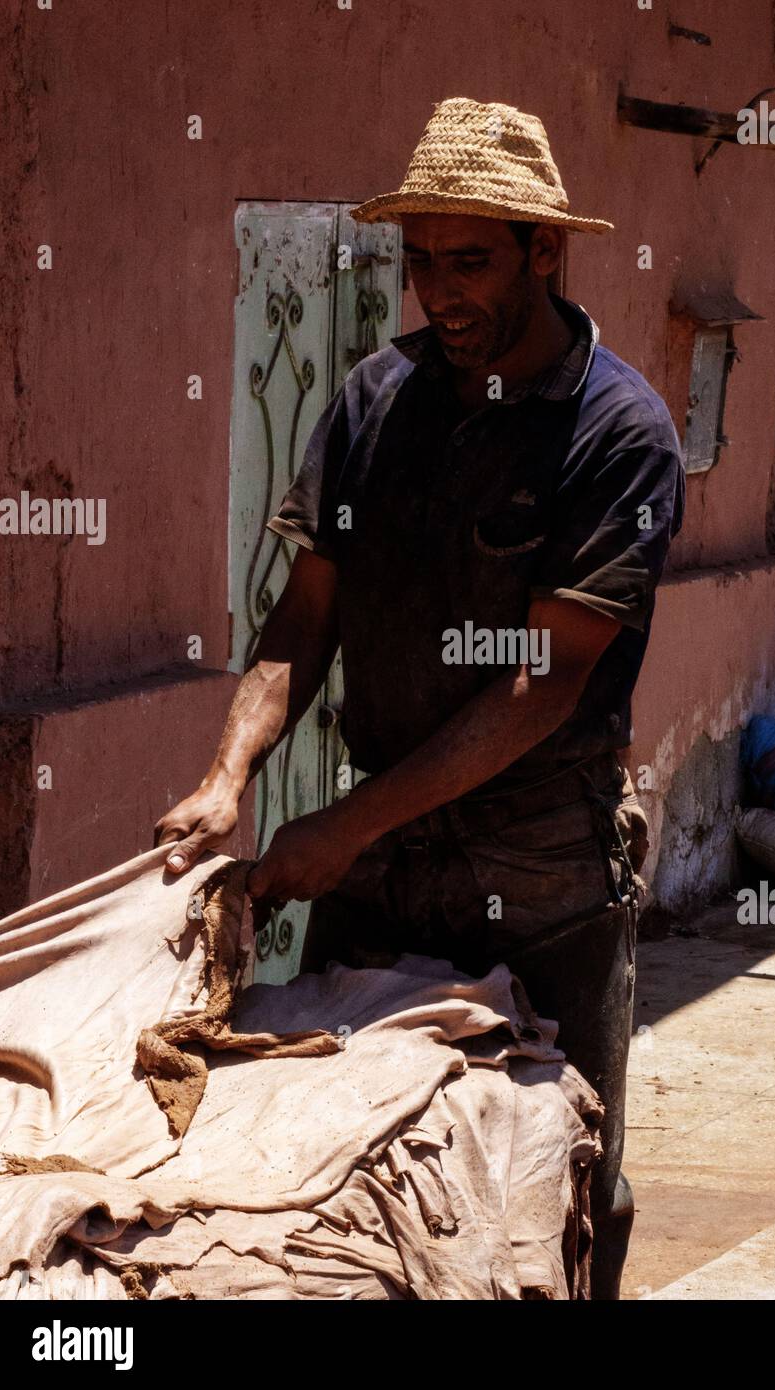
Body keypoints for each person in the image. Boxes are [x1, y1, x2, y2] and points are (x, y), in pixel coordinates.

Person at [156, 97, 685, 1300]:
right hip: (380, 879)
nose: (436, 293)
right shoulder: (372, 404)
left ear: (544, 251)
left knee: (559, 1181)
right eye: (418, 260)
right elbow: (302, 620)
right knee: (346, 1164)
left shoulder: (620, 435)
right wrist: (226, 774)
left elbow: (540, 689)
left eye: (469, 261)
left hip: (542, 877)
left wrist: (343, 827)